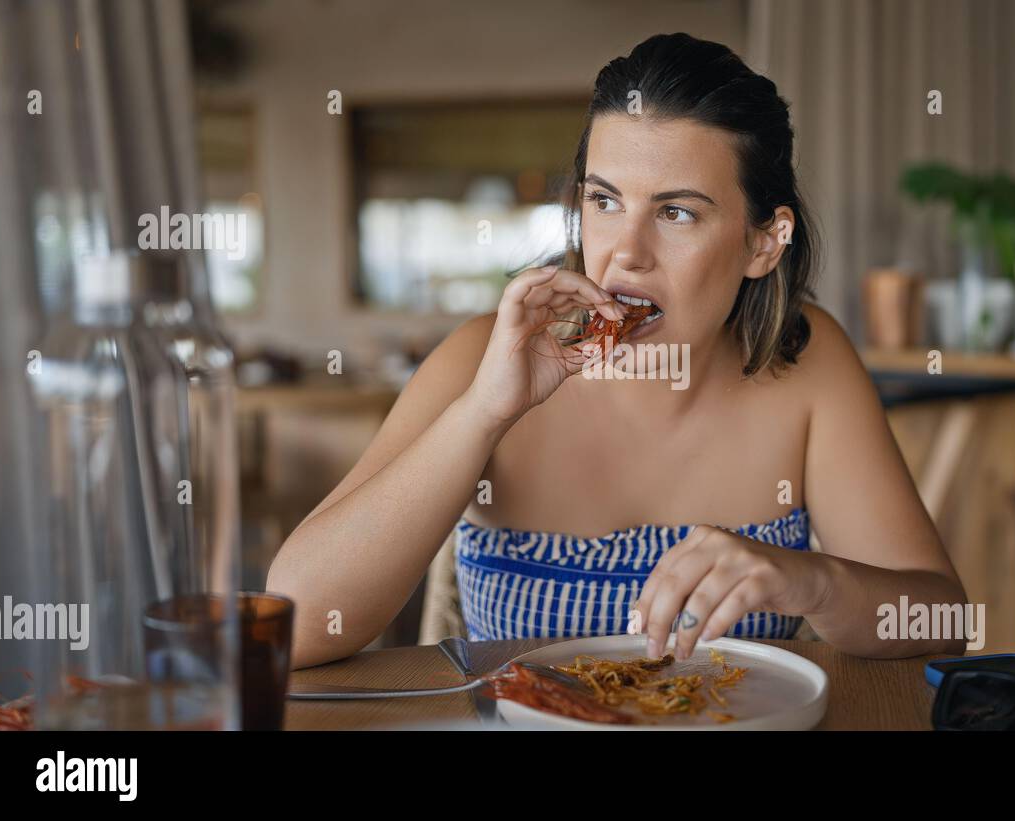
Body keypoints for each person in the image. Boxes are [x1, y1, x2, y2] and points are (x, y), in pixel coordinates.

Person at [267, 33, 967, 670]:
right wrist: (482, 412)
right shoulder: (482, 358)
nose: (625, 256)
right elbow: (296, 625)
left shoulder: (808, 362)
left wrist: (809, 578)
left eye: (677, 212)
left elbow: (942, 621)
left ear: (763, 242)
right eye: (604, 202)